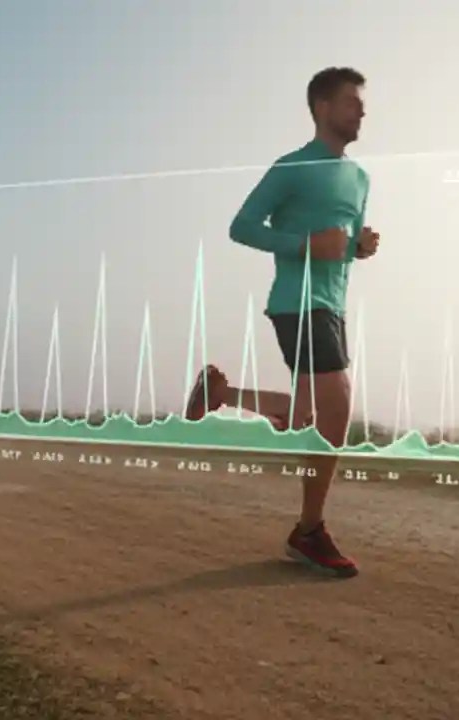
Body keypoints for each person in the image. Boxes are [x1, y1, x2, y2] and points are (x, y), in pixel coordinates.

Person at [184, 67, 378, 578]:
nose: (362, 111)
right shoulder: (293, 168)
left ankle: (220, 396)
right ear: (321, 108)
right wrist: (307, 246)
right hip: (297, 301)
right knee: (336, 408)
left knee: (307, 416)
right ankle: (309, 530)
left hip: (332, 304)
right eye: (351, 102)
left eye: (362, 103)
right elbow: (242, 226)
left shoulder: (360, 178)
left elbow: (344, 245)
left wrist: (357, 247)